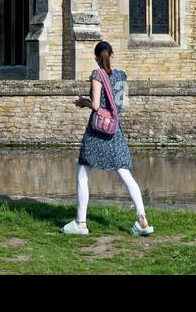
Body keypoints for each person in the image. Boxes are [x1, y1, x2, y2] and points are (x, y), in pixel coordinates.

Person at [62, 41, 153, 236]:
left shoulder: (97, 75)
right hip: (115, 131)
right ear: (112, 55)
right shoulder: (121, 75)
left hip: (97, 131)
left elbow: (95, 105)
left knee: (83, 173)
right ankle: (142, 219)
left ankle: (80, 222)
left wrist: (82, 102)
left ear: (96, 57)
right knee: (126, 175)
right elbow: (120, 106)